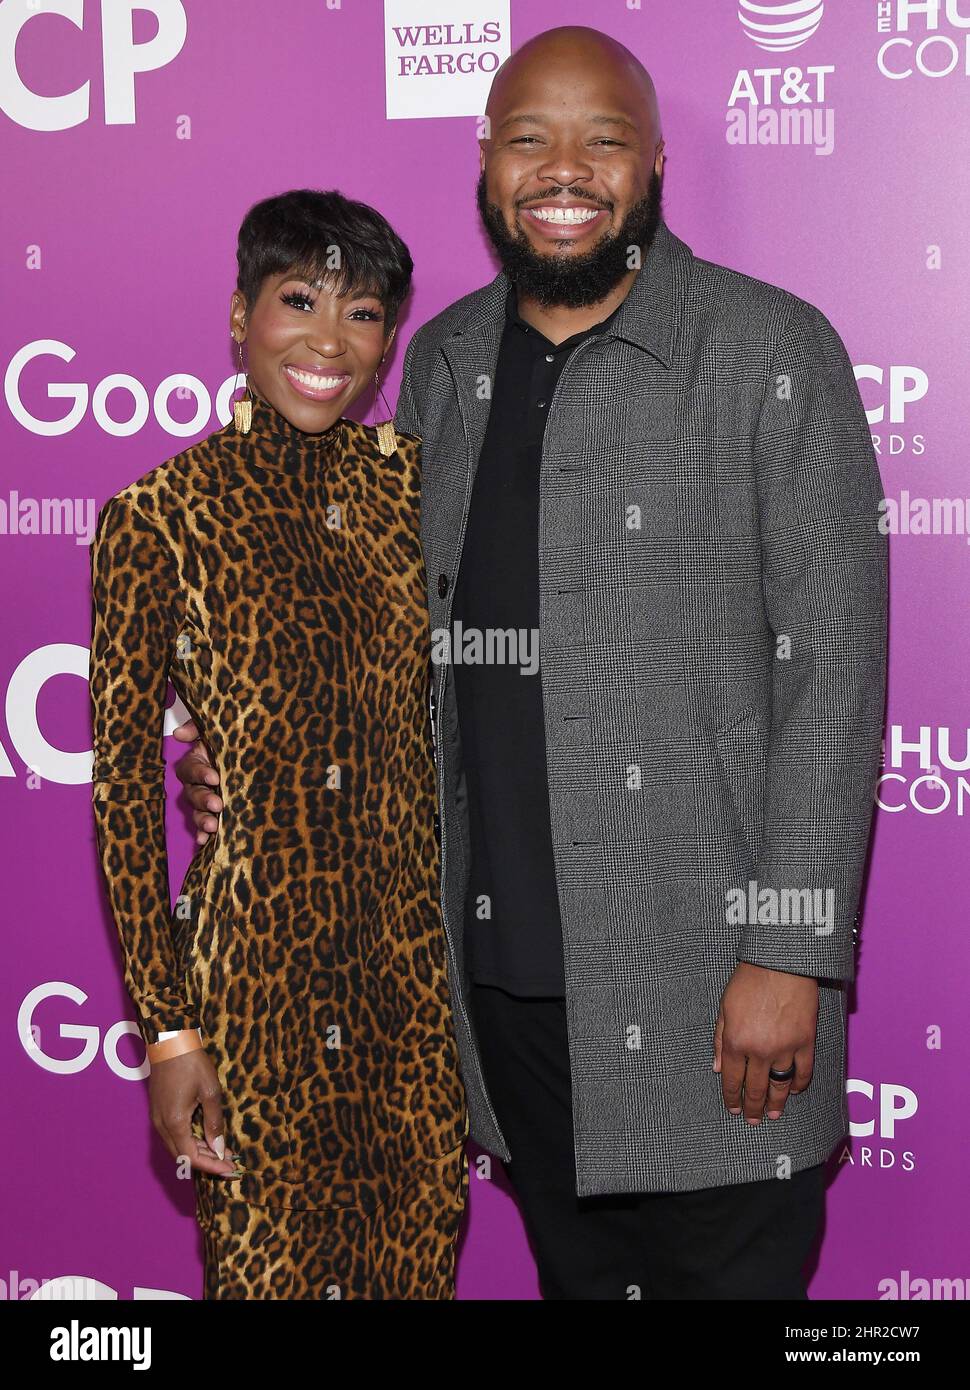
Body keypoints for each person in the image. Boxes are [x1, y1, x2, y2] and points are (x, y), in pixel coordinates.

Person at [176, 28, 888, 1300]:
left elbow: (832, 673)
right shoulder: (443, 364)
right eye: (529, 140)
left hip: (713, 986)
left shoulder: (770, 349)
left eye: (603, 141)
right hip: (502, 995)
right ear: (487, 166)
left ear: (654, 164)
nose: (566, 170)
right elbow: (402, 653)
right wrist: (265, 765)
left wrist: (790, 952)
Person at [88, 188, 467, 1300]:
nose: (326, 340)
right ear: (239, 315)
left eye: (361, 314)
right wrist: (168, 1034)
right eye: (298, 300)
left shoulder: (416, 489)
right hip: (255, 993)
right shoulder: (157, 515)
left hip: (413, 992)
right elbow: (118, 793)